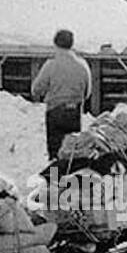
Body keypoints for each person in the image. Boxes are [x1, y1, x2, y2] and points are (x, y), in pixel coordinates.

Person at [32, 28, 92, 160]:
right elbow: (87, 93)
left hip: (55, 111)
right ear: (72, 44)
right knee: (72, 153)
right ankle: (70, 179)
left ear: (55, 44)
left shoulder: (50, 65)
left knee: (55, 155)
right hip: (74, 113)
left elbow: (36, 89)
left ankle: (55, 180)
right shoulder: (82, 65)